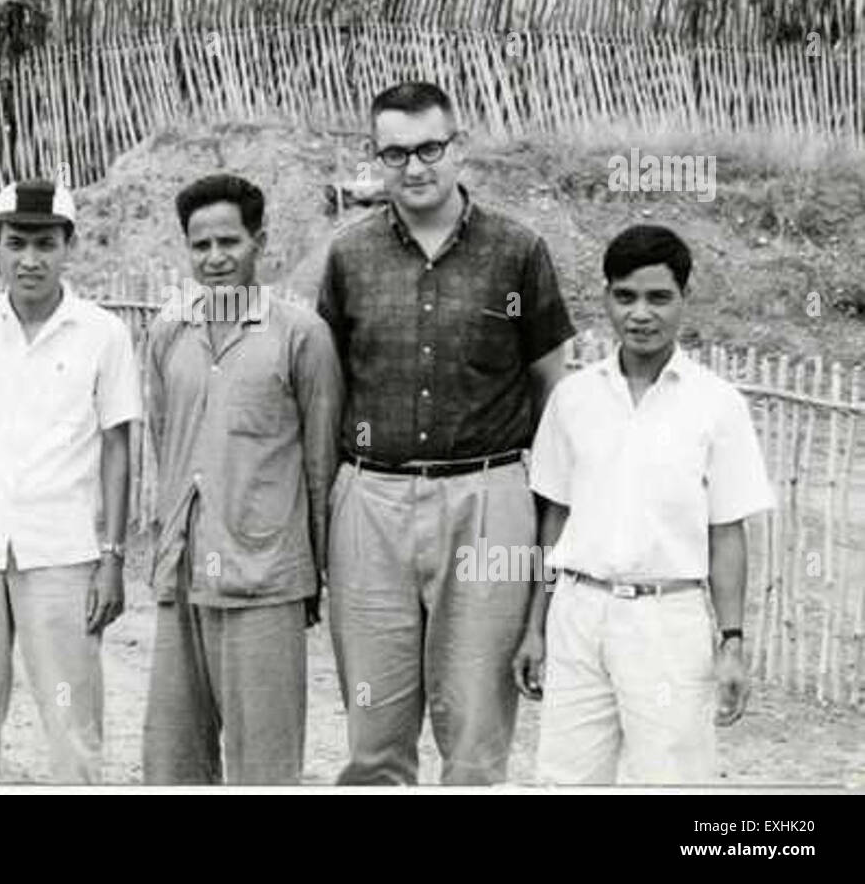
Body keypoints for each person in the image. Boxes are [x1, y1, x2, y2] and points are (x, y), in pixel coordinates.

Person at [317, 81, 574, 785]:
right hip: (372, 503)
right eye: (395, 152)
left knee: (475, 738)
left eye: (430, 147)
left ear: (458, 147)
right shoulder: (349, 257)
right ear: (376, 158)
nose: (415, 166)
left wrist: (543, 515)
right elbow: (333, 385)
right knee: (374, 739)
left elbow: (553, 386)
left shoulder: (518, 252)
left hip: (488, 502)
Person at [518, 225, 773, 784]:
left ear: (684, 300)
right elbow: (554, 519)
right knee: (565, 780)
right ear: (607, 298)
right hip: (578, 614)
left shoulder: (716, 406)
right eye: (625, 296)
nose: (641, 314)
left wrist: (731, 642)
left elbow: (728, 532)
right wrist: (536, 627)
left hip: (667, 619)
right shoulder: (574, 398)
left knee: (670, 782)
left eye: (659, 297)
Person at [0, 179, 141, 783]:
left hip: (61, 553)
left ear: (69, 246)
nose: (30, 260)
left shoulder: (103, 333)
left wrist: (112, 557)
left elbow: (118, 447)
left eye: (46, 244)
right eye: (16, 243)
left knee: (71, 716)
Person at [142, 175, 343, 784]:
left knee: (264, 765)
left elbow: (319, 463)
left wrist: (312, 577)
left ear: (261, 241)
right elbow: (164, 441)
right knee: (173, 759)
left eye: (229, 241)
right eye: (200, 246)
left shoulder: (300, 336)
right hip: (183, 572)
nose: (215, 258)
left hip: (265, 576)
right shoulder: (168, 333)